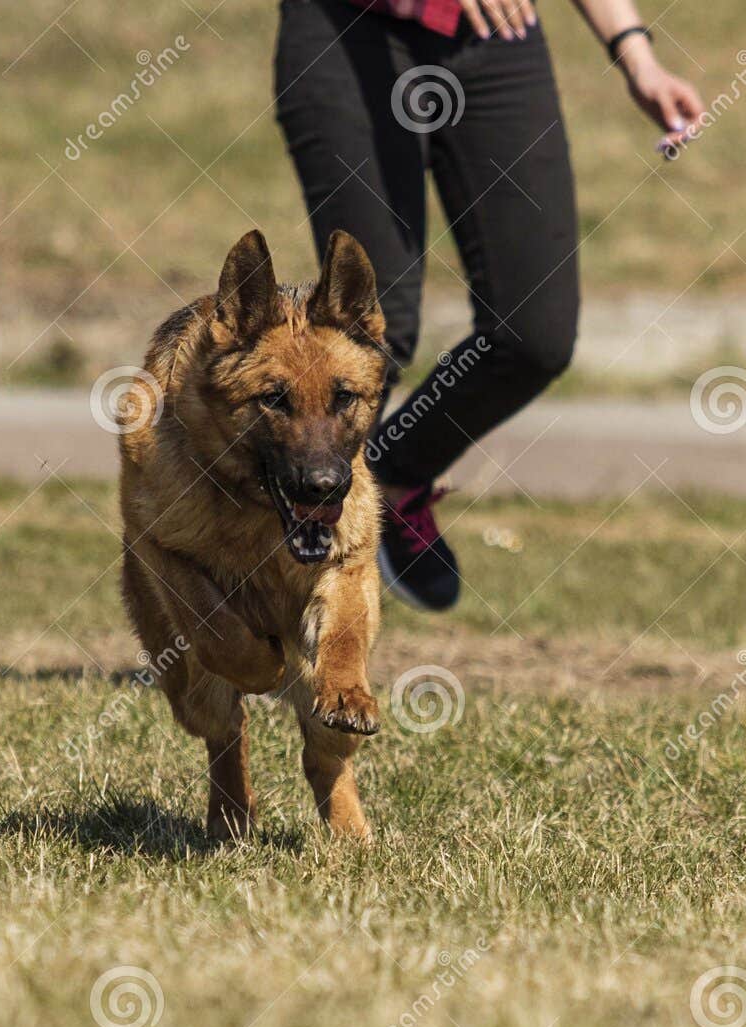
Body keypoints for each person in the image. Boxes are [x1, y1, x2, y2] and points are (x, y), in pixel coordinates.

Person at [275, 0, 704, 610]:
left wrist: (636, 53)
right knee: (374, 329)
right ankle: (269, 562)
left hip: (494, 34)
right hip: (348, 29)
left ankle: (396, 479)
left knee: (536, 334)